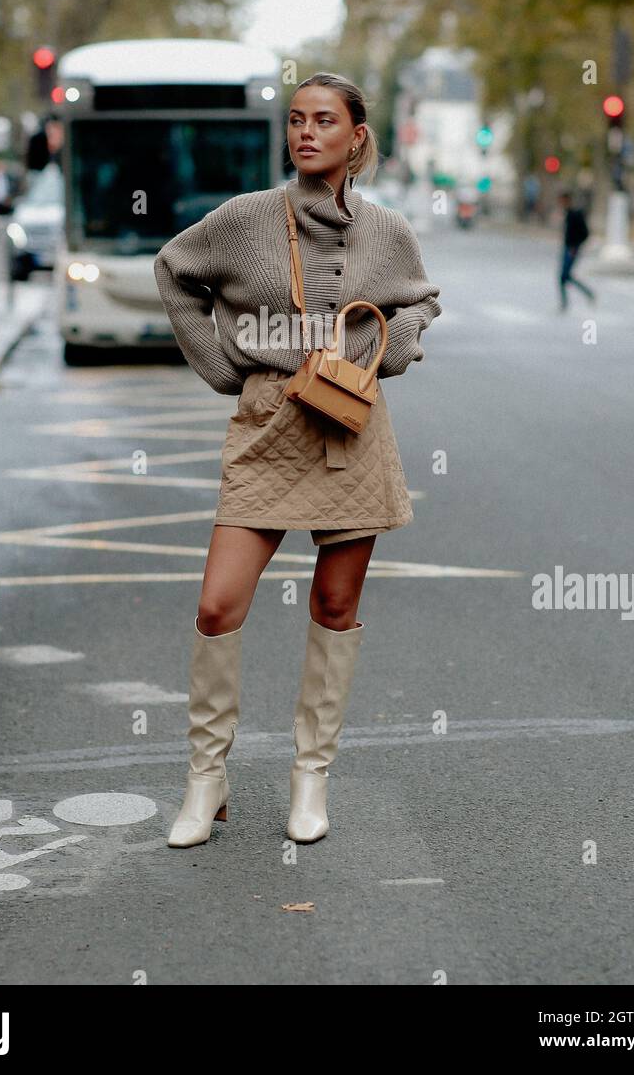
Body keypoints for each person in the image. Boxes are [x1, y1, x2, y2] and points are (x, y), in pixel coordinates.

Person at [154, 72, 443, 848]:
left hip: (350, 432)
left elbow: (419, 299)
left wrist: (393, 348)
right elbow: (175, 271)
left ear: (356, 137)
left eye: (323, 121)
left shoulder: (384, 231)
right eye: (295, 121)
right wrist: (222, 368)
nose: (306, 133)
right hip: (265, 431)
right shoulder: (247, 219)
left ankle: (311, 776)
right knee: (219, 606)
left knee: (334, 609)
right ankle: (205, 778)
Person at [557, 189, 595, 310]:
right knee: (564, 277)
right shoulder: (568, 214)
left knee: (564, 276)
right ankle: (585, 294)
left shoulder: (575, 214)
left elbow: (585, 233)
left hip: (572, 249)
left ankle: (568, 302)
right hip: (567, 248)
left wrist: (576, 246)